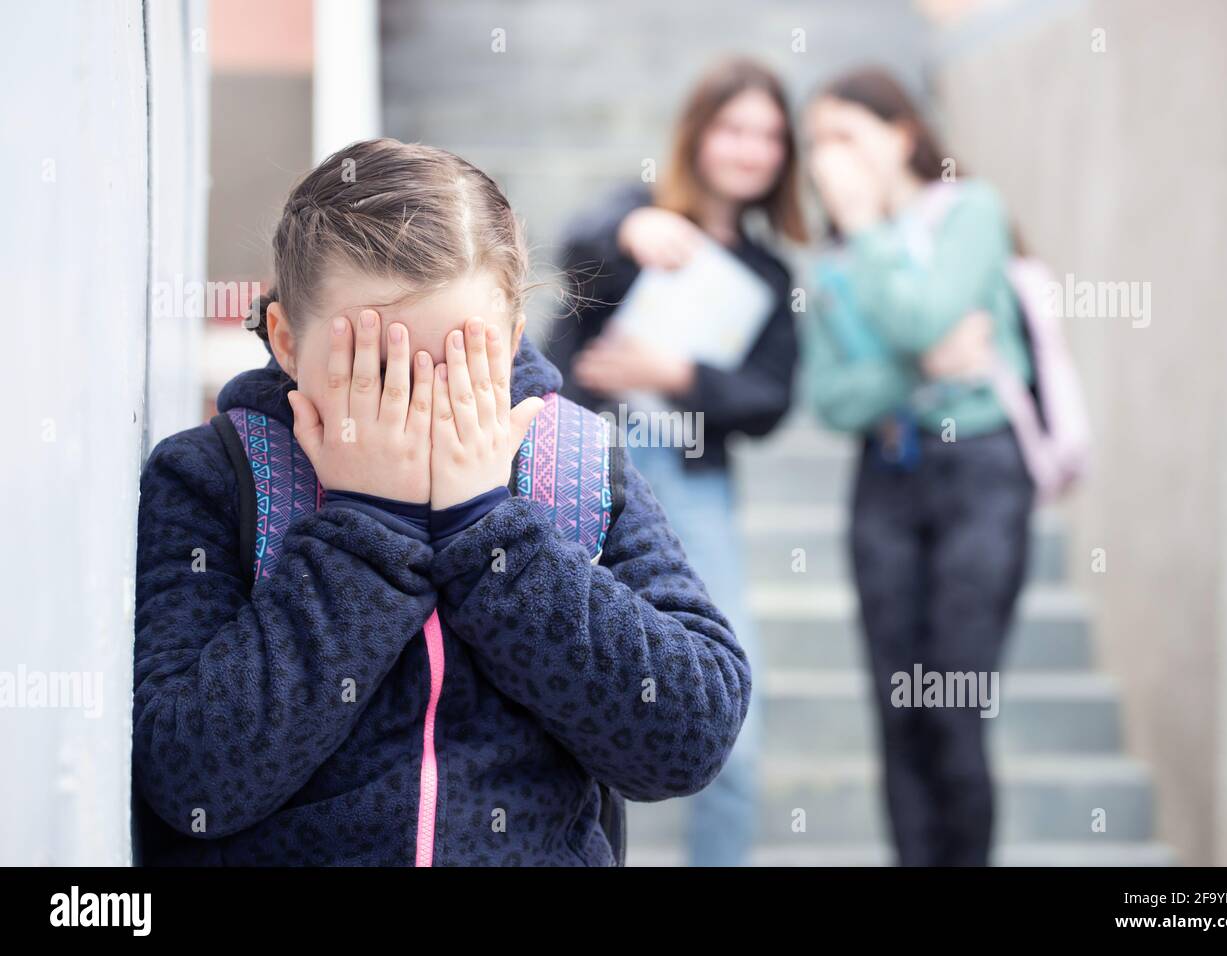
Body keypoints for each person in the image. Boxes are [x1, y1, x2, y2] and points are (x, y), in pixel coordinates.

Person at [131, 138, 750, 866]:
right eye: (377, 368)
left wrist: (494, 536)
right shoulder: (214, 478)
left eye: (462, 364)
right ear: (287, 342)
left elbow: (686, 742)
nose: (421, 404)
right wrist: (366, 533)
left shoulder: (573, 468)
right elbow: (192, 781)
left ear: (513, 341)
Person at [548, 57, 806, 867]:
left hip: (693, 482)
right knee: (570, 703)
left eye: (769, 134)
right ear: (698, 136)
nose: (751, 149)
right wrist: (629, 230)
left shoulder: (769, 274)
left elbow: (769, 401)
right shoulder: (634, 213)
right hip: (590, 470)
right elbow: (571, 255)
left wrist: (677, 375)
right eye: (734, 128)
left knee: (735, 725)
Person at [801, 68, 1036, 866]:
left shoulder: (971, 211)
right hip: (885, 480)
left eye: (846, 137)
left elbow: (924, 314)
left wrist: (867, 224)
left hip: (980, 475)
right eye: (818, 144)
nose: (829, 159)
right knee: (899, 712)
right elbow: (833, 400)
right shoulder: (827, 266)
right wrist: (917, 371)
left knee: (954, 708)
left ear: (902, 134)